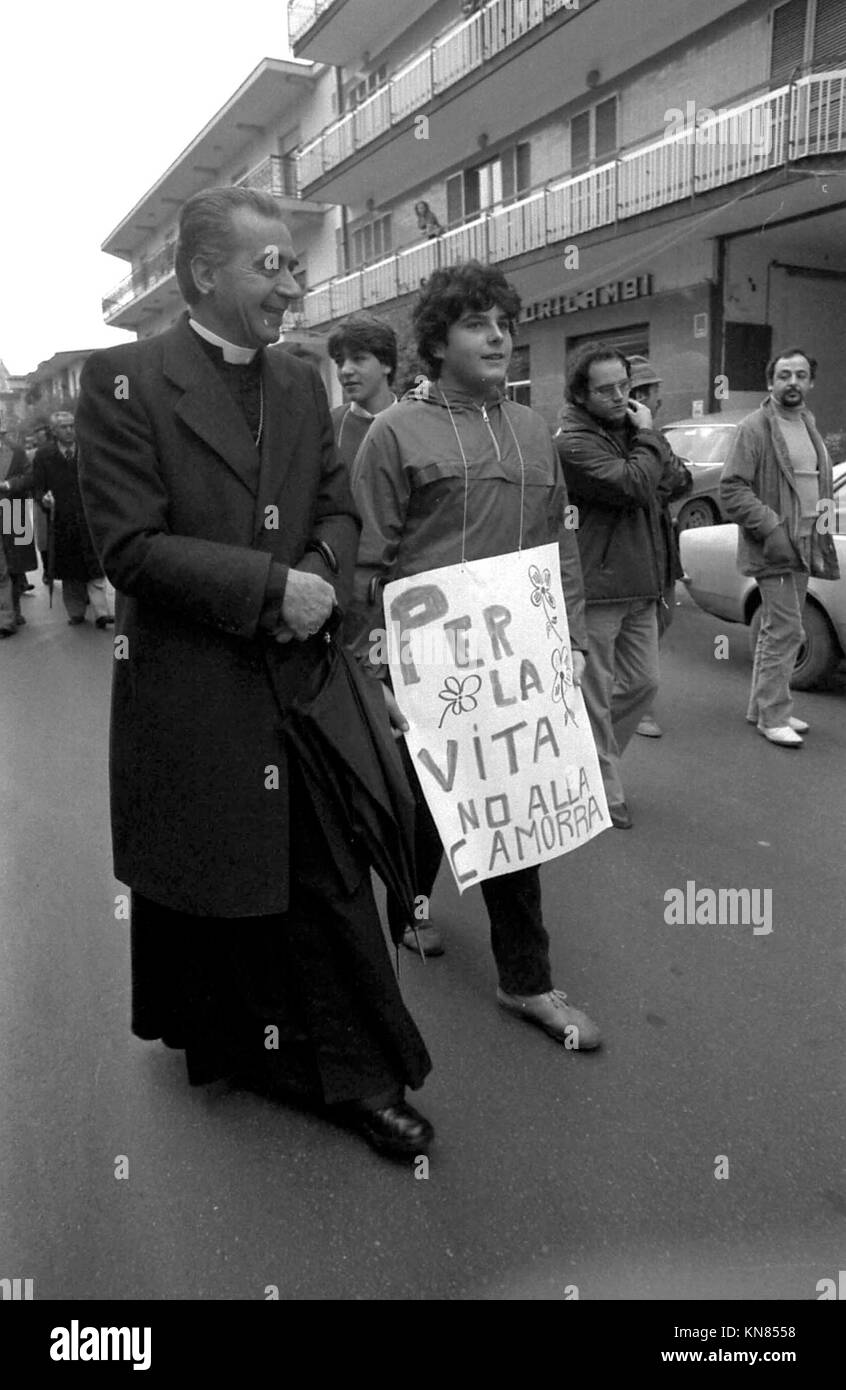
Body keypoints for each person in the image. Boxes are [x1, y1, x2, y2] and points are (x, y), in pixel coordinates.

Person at [75, 186, 433, 1160]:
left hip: (298, 683)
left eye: (291, 264)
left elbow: (335, 504)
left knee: (326, 877)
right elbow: (131, 549)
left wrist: (318, 573)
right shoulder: (121, 380)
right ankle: (230, 1039)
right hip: (193, 687)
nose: (291, 281)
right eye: (269, 264)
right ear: (202, 273)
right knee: (215, 871)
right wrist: (272, 587)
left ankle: (360, 1077)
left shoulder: (298, 381)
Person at [349, 260, 600, 1050]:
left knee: (512, 817)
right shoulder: (395, 435)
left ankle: (525, 981)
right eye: (475, 323)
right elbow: (365, 564)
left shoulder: (533, 432)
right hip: (427, 672)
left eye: (505, 322)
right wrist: (373, 665)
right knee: (428, 805)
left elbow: (559, 548)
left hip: (517, 668)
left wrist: (574, 642)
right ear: (434, 342)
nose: (498, 335)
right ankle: (409, 905)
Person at [554, 342, 691, 829]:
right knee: (595, 695)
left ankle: (583, 762)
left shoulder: (634, 432)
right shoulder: (572, 442)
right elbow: (632, 485)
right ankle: (604, 793)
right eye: (606, 389)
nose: (618, 396)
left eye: (624, 387)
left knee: (642, 684)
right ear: (581, 393)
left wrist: (647, 450)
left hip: (642, 581)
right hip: (598, 587)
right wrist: (650, 443)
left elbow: (679, 481)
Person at [720, 347, 839, 746]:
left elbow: (817, 483)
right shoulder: (754, 427)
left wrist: (821, 533)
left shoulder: (807, 423)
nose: (792, 382)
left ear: (810, 382)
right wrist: (772, 529)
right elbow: (732, 489)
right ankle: (774, 715)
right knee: (788, 629)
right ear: (771, 381)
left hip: (807, 545)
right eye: (784, 375)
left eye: (800, 375)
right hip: (775, 547)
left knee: (778, 628)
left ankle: (762, 707)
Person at [626, 356, 692, 738]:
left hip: (661, 550)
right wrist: (657, 475)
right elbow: (636, 484)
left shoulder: (654, 437)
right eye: (653, 395)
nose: (659, 402)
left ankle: (634, 700)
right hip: (633, 553)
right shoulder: (619, 439)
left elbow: (683, 480)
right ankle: (638, 710)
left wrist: (658, 478)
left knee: (661, 621)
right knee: (640, 633)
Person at [33, 411, 113, 627]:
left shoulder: (87, 451)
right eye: (64, 427)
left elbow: (102, 480)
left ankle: (101, 612)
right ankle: (76, 612)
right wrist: (44, 499)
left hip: (89, 517)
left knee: (95, 566)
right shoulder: (44, 455)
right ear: (55, 431)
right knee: (70, 570)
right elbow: (38, 488)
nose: (70, 430)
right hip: (62, 519)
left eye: (72, 426)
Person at [327, 313, 398, 472]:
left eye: (358, 359)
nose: (345, 370)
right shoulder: (327, 426)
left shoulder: (414, 423)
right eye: (339, 362)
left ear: (386, 364)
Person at [0, 421, 37, 635]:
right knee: (1, 569)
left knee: (15, 566)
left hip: (13, 510)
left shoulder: (16, 452)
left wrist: (8, 485)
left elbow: (30, 477)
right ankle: (6, 619)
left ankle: (13, 611)